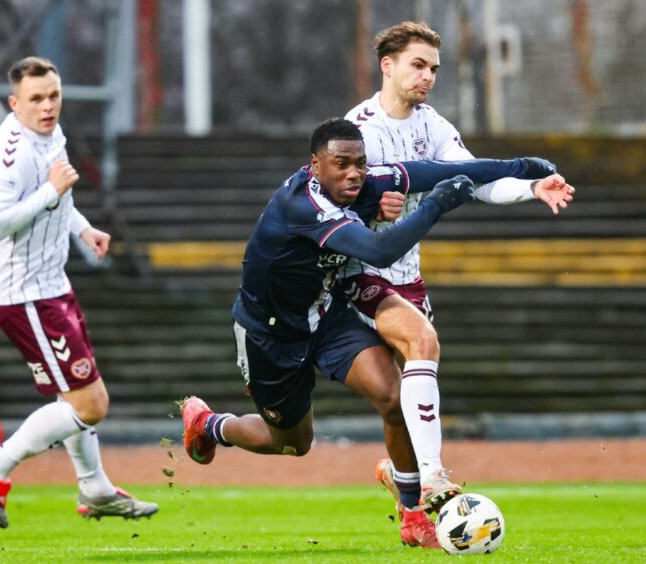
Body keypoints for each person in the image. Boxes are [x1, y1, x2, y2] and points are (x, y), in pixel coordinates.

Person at [181, 117, 572, 549]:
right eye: (341, 164)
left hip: (326, 316)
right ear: (315, 166)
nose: (353, 174)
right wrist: (435, 206)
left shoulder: (365, 182)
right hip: (270, 336)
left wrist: (521, 168)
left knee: (392, 396)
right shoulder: (304, 206)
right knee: (292, 444)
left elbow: (435, 171)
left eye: (360, 165)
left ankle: (412, 514)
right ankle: (210, 424)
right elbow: (381, 250)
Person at [343, 21, 574, 516]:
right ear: (388, 66)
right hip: (359, 272)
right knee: (423, 344)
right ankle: (432, 478)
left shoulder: (434, 127)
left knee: (398, 404)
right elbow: (328, 199)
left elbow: (475, 179)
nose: (427, 77)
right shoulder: (357, 129)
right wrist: (366, 206)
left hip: (408, 275)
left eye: (433, 69)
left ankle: (407, 499)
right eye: (417, 65)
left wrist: (530, 189)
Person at [0, 57, 158, 529]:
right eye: (36, 98)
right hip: (26, 296)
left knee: (72, 394)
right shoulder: (9, 153)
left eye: (53, 95)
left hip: (53, 286)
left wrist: (82, 227)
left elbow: (59, 195)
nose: (48, 105)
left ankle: (94, 488)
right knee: (90, 403)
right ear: (15, 103)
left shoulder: (52, 133)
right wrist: (50, 195)